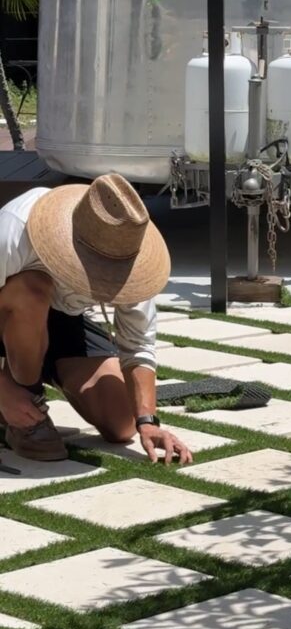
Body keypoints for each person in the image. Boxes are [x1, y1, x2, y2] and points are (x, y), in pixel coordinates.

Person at [0, 173, 192, 465]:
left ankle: (35, 366)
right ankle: (25, 409)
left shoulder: (130, 251)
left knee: (121, 423)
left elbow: (139, 345)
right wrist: (4, 393)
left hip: (63, 319)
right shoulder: (16, 226)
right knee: (32, 291)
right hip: (13, 308)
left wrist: (148, 421)